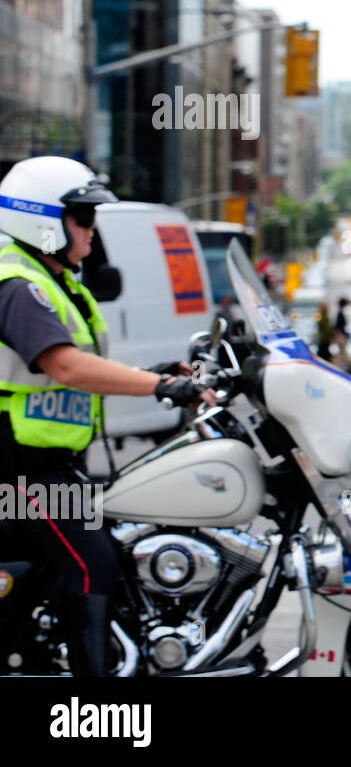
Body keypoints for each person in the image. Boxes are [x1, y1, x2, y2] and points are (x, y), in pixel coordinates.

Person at [0, 156, 216, 676]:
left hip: (50, 462)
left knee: (107, 553)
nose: (93, 231)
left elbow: (75, 366)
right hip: (18, 465)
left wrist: (155, 371)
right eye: (83, 218)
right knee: (92, 565)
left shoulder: (55, 281)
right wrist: (163, 386)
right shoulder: (17, 284)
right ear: (42, 220)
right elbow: (66, 366)